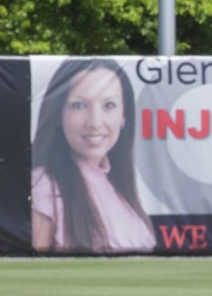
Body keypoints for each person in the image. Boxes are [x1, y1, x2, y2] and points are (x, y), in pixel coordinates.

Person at [31, 58, 155, 253]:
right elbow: (32, 265)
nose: (95, 122)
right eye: (79, 105)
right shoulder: (44, 186)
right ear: (58, 113)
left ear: (124, 115)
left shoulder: (118, 186)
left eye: (109, 105)